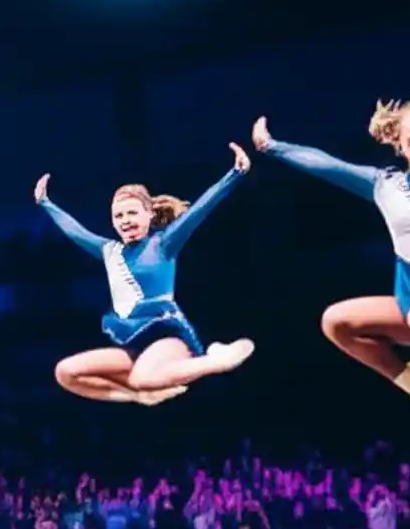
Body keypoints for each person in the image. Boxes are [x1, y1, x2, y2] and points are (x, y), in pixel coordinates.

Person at [253, 97, 410, 416]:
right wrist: (272, 147)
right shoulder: (385, 184)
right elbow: (328, 165)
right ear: (396, 136)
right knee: (338, 321)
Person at [36, 142, 256, 405]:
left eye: (132, 213)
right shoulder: (110, 252)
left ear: (149, 215)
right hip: (134, 342)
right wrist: (46, 203)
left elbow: (199, 210)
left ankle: (214, 359)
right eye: (118, 216)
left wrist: (235, 174)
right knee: (66, 372)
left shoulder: (163, 244)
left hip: (167, 335)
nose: (125, 220)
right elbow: (75, 231)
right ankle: (140, 395)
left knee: (142, 377)